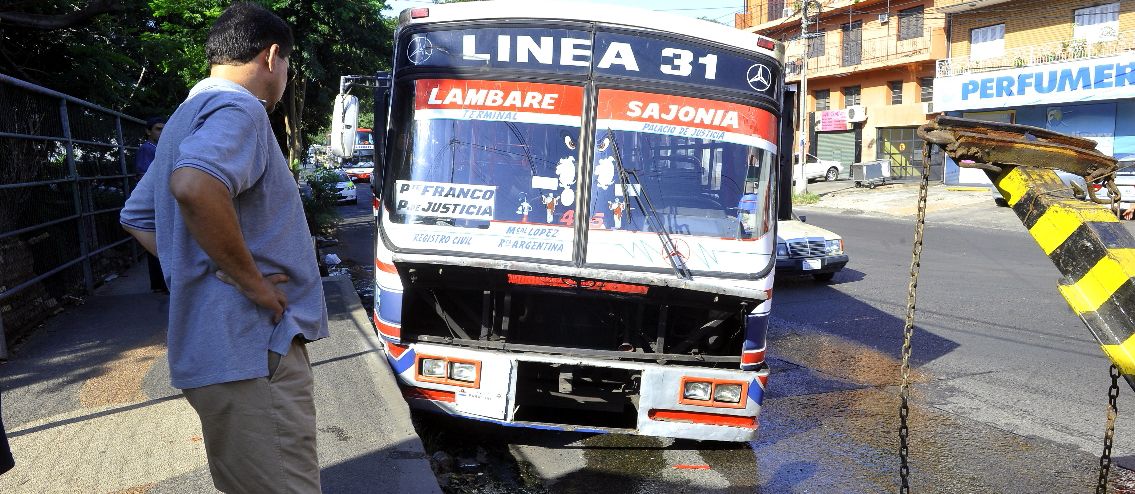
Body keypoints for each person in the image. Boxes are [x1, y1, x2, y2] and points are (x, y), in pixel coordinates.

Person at [119, 3, 328, 493]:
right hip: (252, 348)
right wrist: (249, 281)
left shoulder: (180, 120)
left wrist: (191, 260)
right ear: (273, 56)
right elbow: (195, 185)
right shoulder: (240, 108)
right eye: (289, 67)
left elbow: (136, 216)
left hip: (214, 352)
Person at [137, 116, 168, 293]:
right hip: (156, 201)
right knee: (159, 238)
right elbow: (143, 176)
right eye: (158, 129)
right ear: (149, 131)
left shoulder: (158, 148)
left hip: (159, 199)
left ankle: (159, 283)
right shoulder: (147, 149)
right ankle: (159, 283)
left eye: (164, 129)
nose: (162, 132)